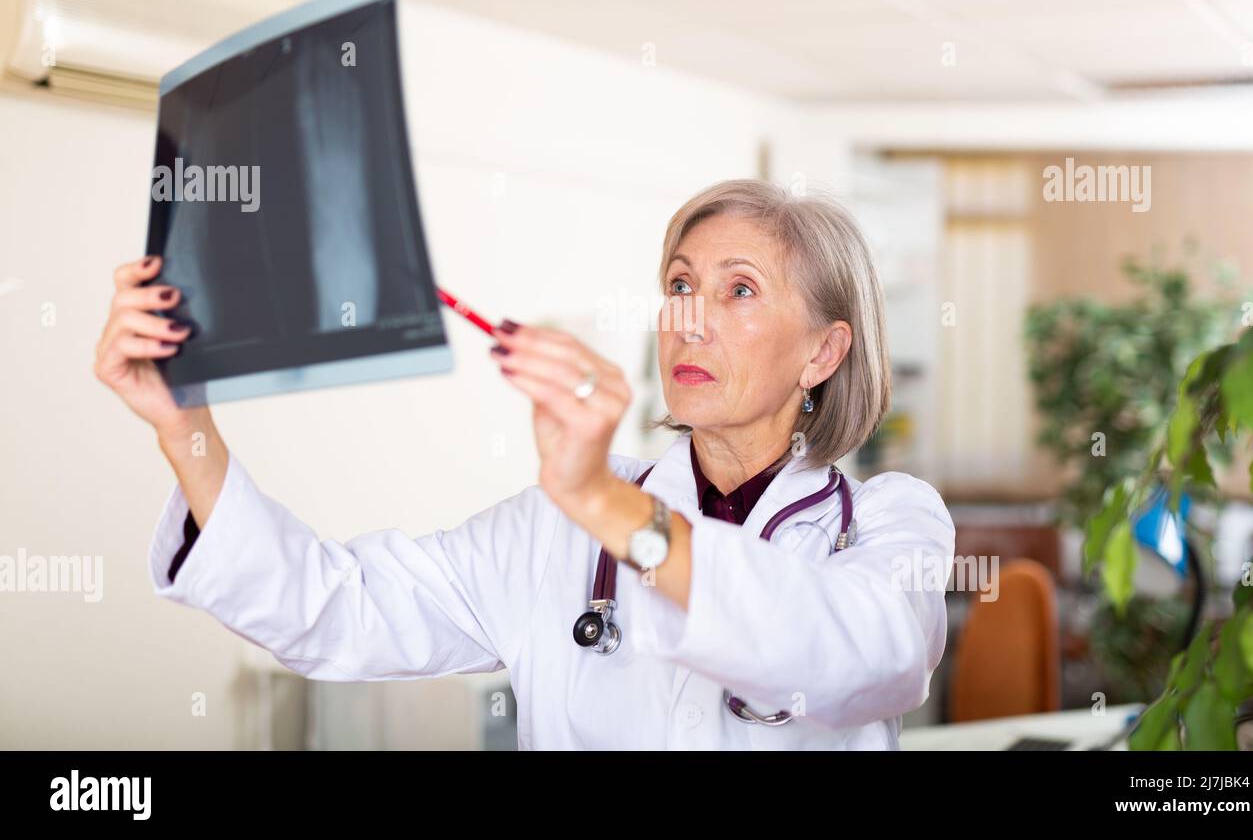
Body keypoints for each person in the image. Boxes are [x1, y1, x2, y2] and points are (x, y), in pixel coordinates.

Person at [95, 177, 955, 749]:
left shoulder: (885, 521)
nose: (689, 320)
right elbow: (334, 610)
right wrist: (186, 428)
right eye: (681, 285)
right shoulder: (557, 523)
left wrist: (605, 506)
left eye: (739, 291)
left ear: (823, 352)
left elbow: (862, 654)